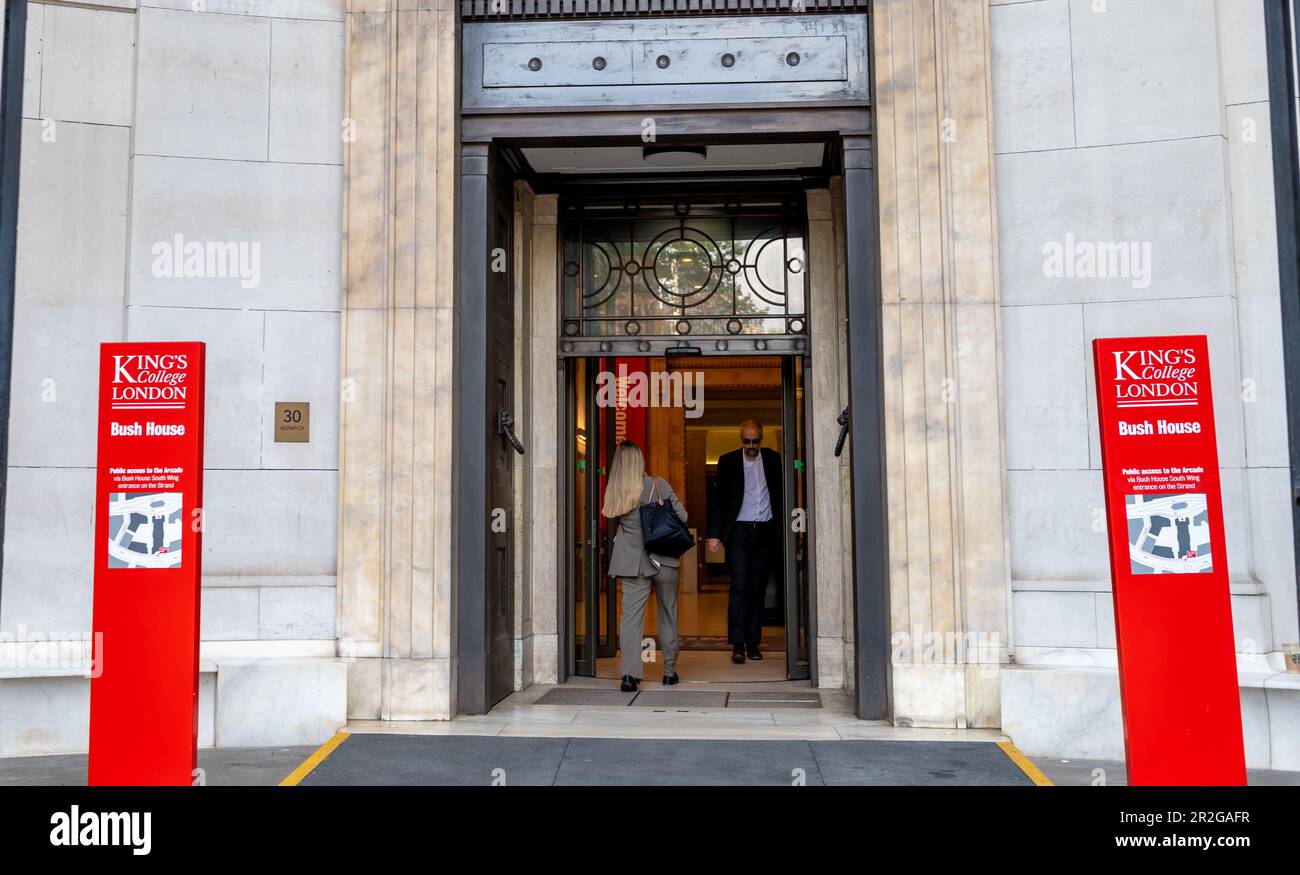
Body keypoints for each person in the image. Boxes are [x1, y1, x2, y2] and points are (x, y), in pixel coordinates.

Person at [602, 439, 689, 692]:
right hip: (664, 558)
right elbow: (683, 517)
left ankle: (629, 676)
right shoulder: (658, 485)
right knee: (668, 612)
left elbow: (611, 515)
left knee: (630, 618)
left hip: (633, 562)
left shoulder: (615, 491)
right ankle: (669, 672)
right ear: (640, 460)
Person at [707, 419, 782, 664]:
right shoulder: (728, 461)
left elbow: (781, 493)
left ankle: (754, 642)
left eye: (755, 441)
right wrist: (714, 534)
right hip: (738, 531)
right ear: (741, 439)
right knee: (740, 586)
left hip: (765, 532)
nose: (751, 445)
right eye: (746, 441)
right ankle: (737, 644)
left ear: (762, 439)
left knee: (758, 588)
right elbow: (719, 499)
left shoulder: (772, 460)